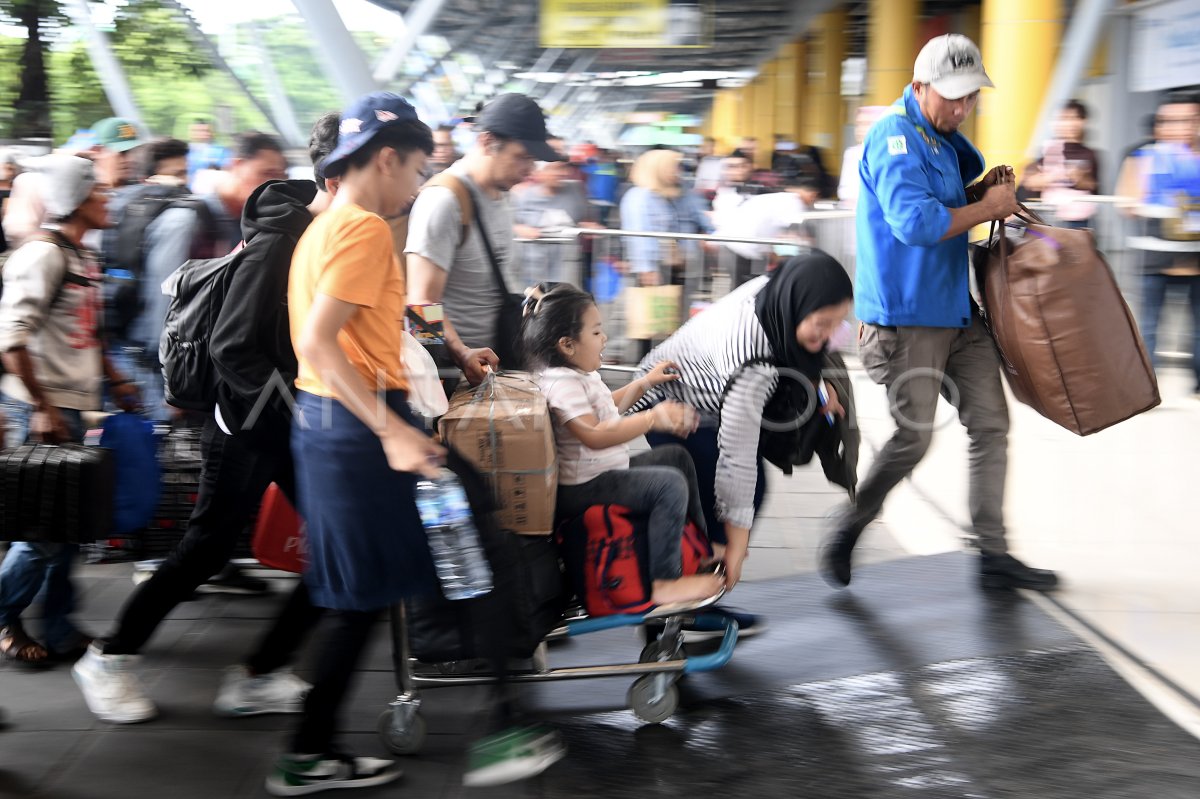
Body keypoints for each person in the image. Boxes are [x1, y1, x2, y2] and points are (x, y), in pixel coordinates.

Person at [72, 116, 342, 725]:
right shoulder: (285, 237)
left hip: (282, 420)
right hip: (249, 424)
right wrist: (296, 413)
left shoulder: (322, 233)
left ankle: (260, 673)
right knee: (206, 549)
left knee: (333, 543)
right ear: (341, 172)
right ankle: (109, 657)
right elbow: (234, 344)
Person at [820, 33, 1057, 592]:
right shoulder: (893, 139)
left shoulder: (939, 138)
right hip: (905, 324)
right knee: (914, 439)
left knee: (992, 424)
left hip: (956, 312)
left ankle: (992, 554)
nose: (962, 107)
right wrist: (986, 206)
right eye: (952, 96)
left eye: (971, 96)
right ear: (918, 86)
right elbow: (918, 224)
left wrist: (982, 190)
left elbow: (947, 205)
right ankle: (851, 523)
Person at [627, 252, 853, 603]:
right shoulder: (750, 360)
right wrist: (736, 549)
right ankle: (682, 603)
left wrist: (820, 385)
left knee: (719, 508)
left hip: (712, 394)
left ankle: (696, 598)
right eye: (821, 323)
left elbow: (801, 350)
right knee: (729, 500)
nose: (828, 336)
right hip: (673, 403)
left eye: (837, 323)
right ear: (798, 304)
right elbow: (737, 458)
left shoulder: (778, 293)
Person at [0, 155, 140, 666]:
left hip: (72, 409)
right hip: (42, 411)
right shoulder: (41, 255)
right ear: (77, 199)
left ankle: (58, 627)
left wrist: (118, 379)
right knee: (41, 536)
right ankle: (5, 619)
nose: (110, 200)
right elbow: (10, 341)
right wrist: (41, 406)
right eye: (100, 193)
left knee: (66, 531)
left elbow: (89, 331)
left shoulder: (80, 255)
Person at [522, 284, 724, 606]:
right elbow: (594, 433)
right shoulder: (561, 382)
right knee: (667, 485)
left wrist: (644, 383)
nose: (604, 338)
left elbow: (608, 408)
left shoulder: (578, 373)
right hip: (583, 487)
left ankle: (700, 548)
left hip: (601, 473)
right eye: (597, 332)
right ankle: (665, 582)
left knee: (676, 458)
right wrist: (651, 419)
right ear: (567, 345)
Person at [405, 93, 563, 375]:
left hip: (500, 365)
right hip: (460, 376)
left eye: (533, 159)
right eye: (521, 157)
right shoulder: (444, 201)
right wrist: (439, 371)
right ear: (487, 142)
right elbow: (420, 303)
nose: (529, 170)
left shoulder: (502, 194)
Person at [1117, 92, 1200, 396]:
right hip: (1154, 257)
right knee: (1149, 325)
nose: (1179, 127)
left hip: (1196, 259)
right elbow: (1126, 202)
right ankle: (1146, 389)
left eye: (1188, 120)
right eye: (1170, 120)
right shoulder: (1143, 157)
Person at [619, 149, 713, 287]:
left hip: (683, 265)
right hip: (656, 267)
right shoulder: (640, 197)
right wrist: (647, 268)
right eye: (674, 166)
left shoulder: (683, 194)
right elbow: (640, 234)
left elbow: (702, 219)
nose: (678, 170)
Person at [714, 176, 821, 283]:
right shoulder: (794, 202)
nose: (813, 199)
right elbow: (787, 236)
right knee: (751, 291)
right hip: (744, 249)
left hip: (735, 245)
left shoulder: (779, 198)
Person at [512, 160, 598, 286]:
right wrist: (521, 230)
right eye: (553, 169)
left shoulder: (575, 190)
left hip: (567, 268)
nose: (560, 173)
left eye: (563, 168)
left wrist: (588, 227)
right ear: (539, 173)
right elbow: (511, 225)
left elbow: (583, 219)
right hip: (535, 271)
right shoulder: (525, 196)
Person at [1018, 99, 1101, 229]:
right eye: (1064, 118)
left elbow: (1093, 185)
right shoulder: (1047, 151)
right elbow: (1029, 181)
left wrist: (1076, 178)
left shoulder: (1091, 154)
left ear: (1084, 121)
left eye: (1075, 118)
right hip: (1050, 217)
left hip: (1079, 219)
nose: (1070, 124)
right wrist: (1059, 176)